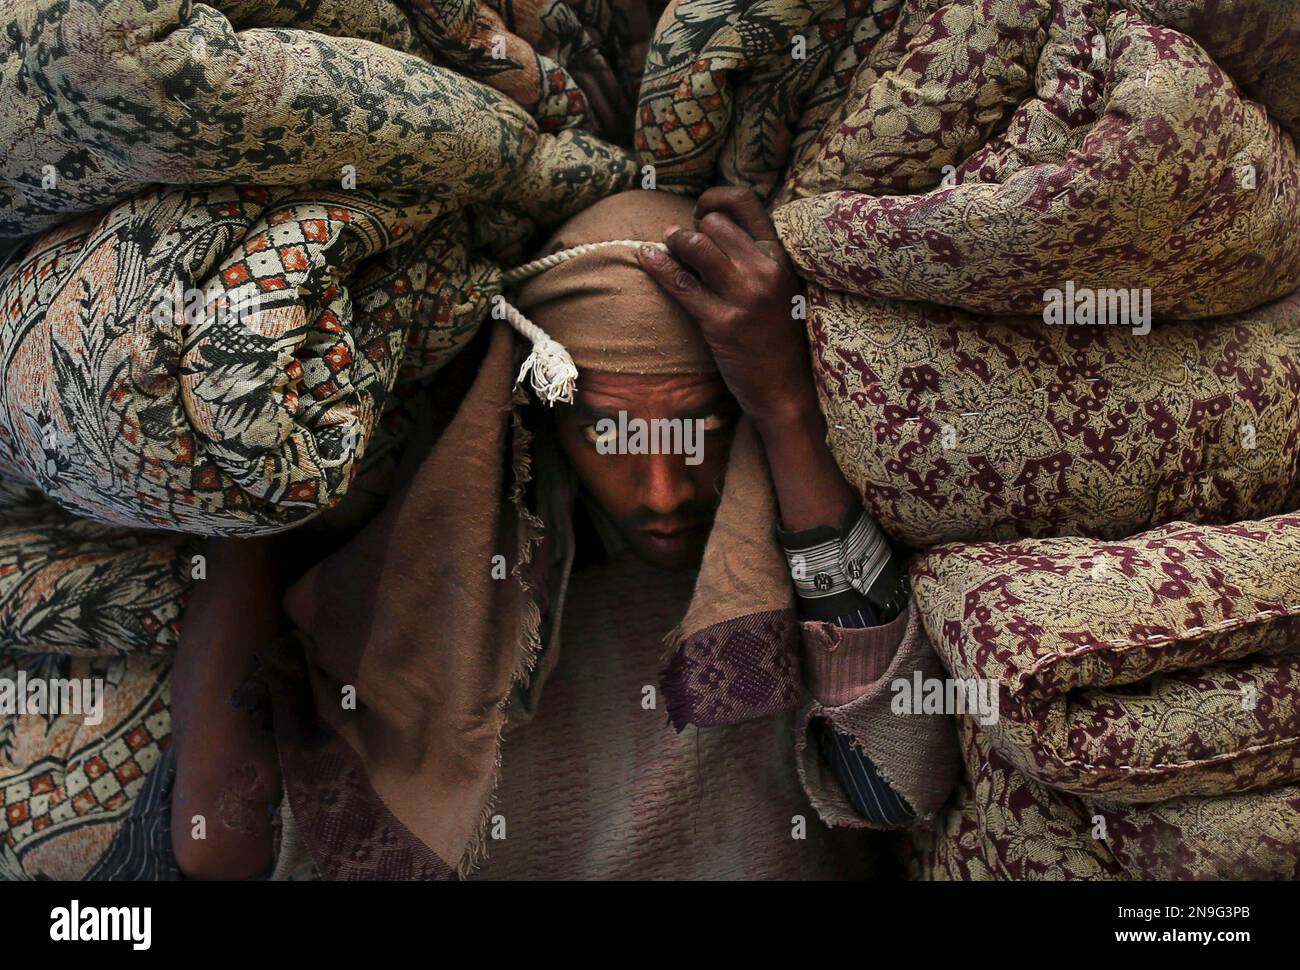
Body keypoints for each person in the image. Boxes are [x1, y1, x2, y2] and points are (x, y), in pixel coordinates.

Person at [169, 189, 957, 880]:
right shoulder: (440, 611)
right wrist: (248, 476)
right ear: (541, 416)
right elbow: (221, 845)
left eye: (701, 430)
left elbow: (891, 782)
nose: (663, 493)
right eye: (608, 437)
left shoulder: (773, 590)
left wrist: (784, 405)